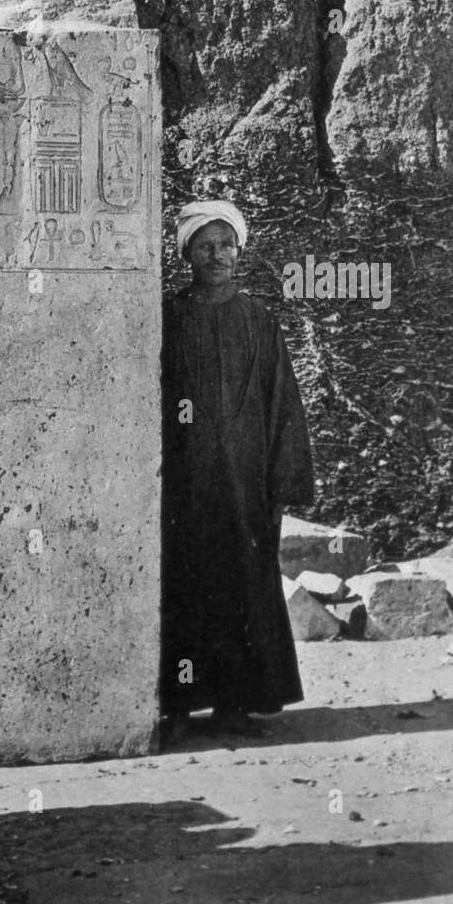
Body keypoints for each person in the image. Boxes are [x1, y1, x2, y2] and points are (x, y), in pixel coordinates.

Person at [161, 199, 314, 739]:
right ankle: (176, 707)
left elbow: (282, 401)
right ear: (188, 254)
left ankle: (234, 704)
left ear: (239, 250)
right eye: (206, 245)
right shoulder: (170, 317)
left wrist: (284, 475)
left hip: (246, 482)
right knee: (180, 585)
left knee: (243, 586)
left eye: (226, 244)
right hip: (183, 483)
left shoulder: (259, 320)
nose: (217, 254)